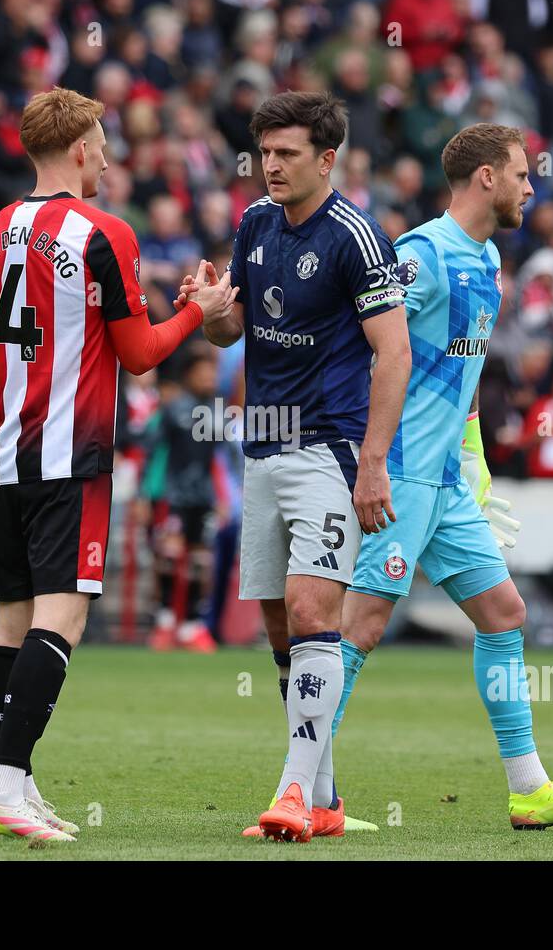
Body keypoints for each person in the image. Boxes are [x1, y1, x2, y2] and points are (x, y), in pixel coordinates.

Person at [0, 87, 237, 842]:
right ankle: (3, 783)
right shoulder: (103, 233)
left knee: (12, 623)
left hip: (4, 455)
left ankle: (17, 783)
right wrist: (198, 313)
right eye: (103, 147)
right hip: (72, 455)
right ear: (79, 149)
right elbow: (140, 356)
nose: (107, 160)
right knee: (63, 618)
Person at [331, 123, 553, 830]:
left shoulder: (489, 259)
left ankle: (529, 789)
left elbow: (462, 379)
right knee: (361, 627)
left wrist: (475, 462)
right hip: (400, 474)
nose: (531, 188)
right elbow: (365, 354)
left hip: (446, 481)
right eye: (521, 174)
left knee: (505, 614)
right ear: (486, 177)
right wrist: (371, 462)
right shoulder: (420, 255)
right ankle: (304, 790)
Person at [184, 91, 412, 841]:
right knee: (284, 631)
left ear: (327, 158)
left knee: (315, 614)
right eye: (264, 153)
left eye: (286, 153)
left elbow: (394, 354)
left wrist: (372, 463)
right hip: (263, 447)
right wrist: (213, 308)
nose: (271, 166)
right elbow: (231, 332)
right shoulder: (255, 222)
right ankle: (325, 799)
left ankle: (289, 793)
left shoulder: (357, 237)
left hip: (329, 448)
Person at [138, 349, 221, 653]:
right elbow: (153, 453)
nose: (209, 379)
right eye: (203, 373)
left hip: (204, 497)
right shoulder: (173, 410)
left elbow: (222, 459)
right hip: (173, 496)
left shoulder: (218, 412)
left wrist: (223, 496)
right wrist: (144, 495)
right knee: (169, 556)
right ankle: (164, 620)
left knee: (200, 560)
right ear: (189, 375)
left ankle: (191, 624)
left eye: (211, 373)